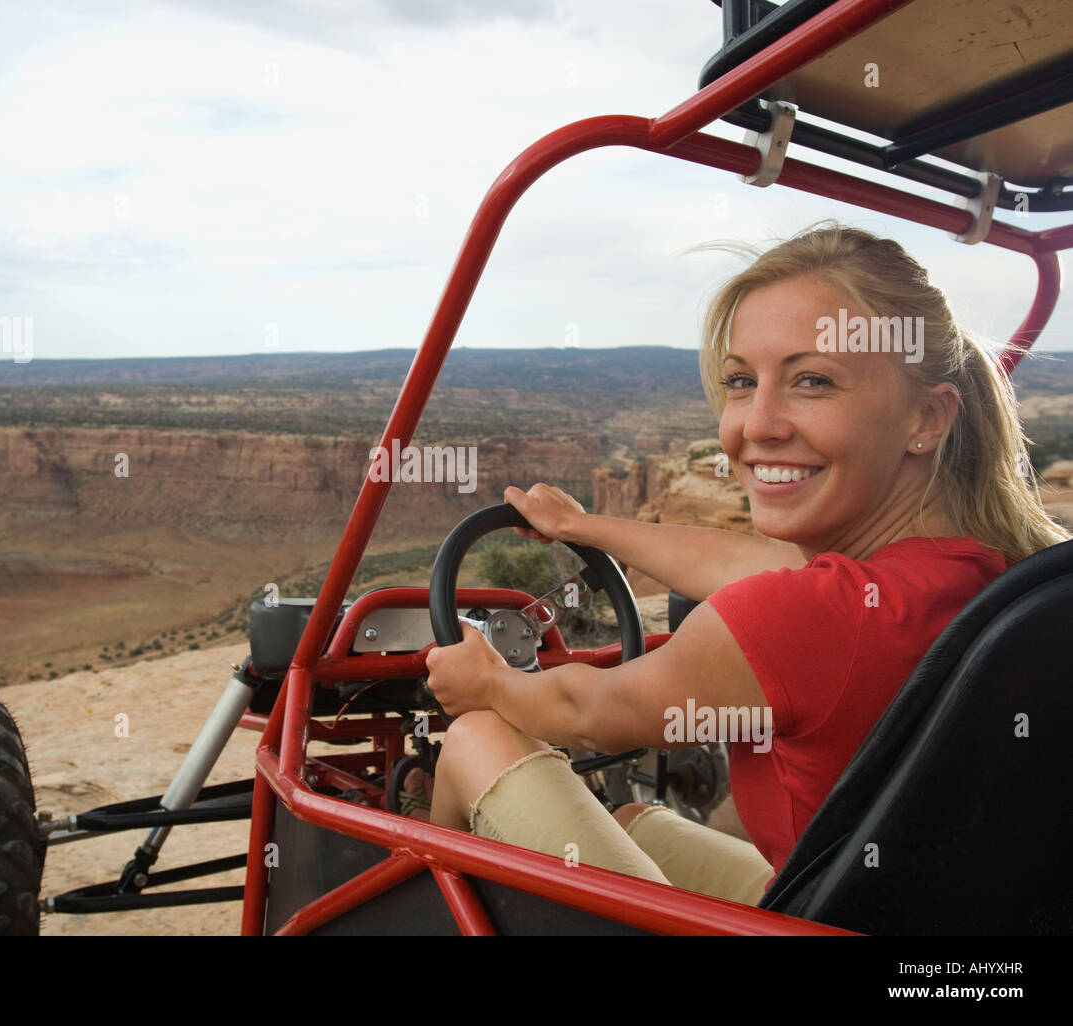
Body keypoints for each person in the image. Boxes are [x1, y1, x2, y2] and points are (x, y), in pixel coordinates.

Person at [412, 223, 1070, 906]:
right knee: (637, 824)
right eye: (740, 381)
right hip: (883, 910)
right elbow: (754, 566)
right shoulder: (997, 576)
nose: (756, 425)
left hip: (824, 918)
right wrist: (585, 526)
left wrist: (487, 684)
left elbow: (584, 710)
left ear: (926, 418)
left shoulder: (811, 618)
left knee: (476, 740)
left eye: (812, 380)